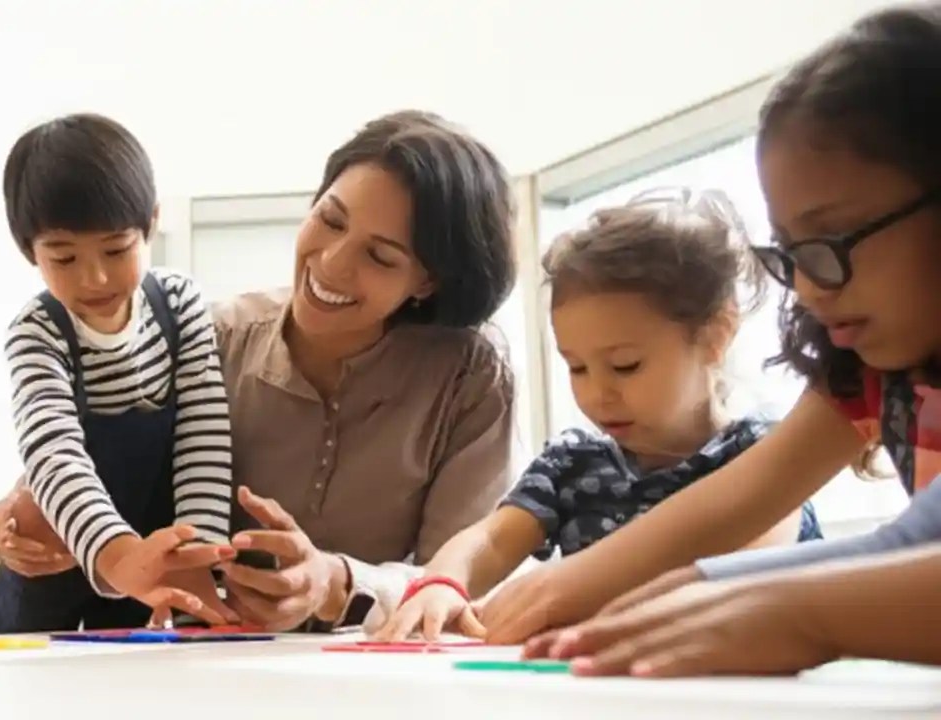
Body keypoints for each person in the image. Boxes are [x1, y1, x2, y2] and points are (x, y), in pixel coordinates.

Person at [477, 1, 941, 665]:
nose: (809, 286)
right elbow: (738, 499)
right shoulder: (872, 367)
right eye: (790, 250)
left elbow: (908, 554)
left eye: (832, 241)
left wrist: (763, 604)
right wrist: (631, 588)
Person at [375, 189, 822, 641]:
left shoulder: (764, 453)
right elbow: (491, 540)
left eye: (626, 365)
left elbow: (750, 571)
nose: (597, 393)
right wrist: (441, 582)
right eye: (577, 367)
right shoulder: (574, 463)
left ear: (715, 335)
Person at [209, 110, 519, 631]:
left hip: (386, 670)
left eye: (379, 256)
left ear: (427, 282)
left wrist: (337, 583)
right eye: (330, 220)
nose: (331, 263)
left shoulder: (471, 377)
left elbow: (456, 576)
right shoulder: (213, 341)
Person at [0, 113, 236, 633]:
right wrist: (117, 558)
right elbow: (55, 455)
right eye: (64, 257)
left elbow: (203, 438)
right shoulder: (37, 332)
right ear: (28, 250)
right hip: (70, 554)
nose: (94, 276)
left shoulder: (180, 304)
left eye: (116, 250)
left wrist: (195, 558)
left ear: (151, 223)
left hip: (159, 548)